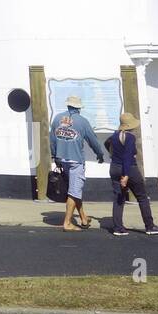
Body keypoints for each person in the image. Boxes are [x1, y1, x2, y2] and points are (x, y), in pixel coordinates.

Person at [49, 95, 106, 232]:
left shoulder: (57, 118)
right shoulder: (82, 121)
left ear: (68, 105)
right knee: (74, 192)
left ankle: (83, 218)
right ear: (79, 108)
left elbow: (52, 140)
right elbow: (93, 141)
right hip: (76, 161)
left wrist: (55, 156)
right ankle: (67, 223)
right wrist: (100, 154)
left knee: (75, 189)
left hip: (61, 159)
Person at [105, 112, 158, 235]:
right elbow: (128, 156)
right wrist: (126, 175)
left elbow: (106, 144)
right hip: (129, 169)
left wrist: (113, 154)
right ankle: (150, 226)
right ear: (131, 125)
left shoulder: (114, 135)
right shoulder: (130, 137)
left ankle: (118, 228)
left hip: (114, 167)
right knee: (142, 197)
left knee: (119, 198)